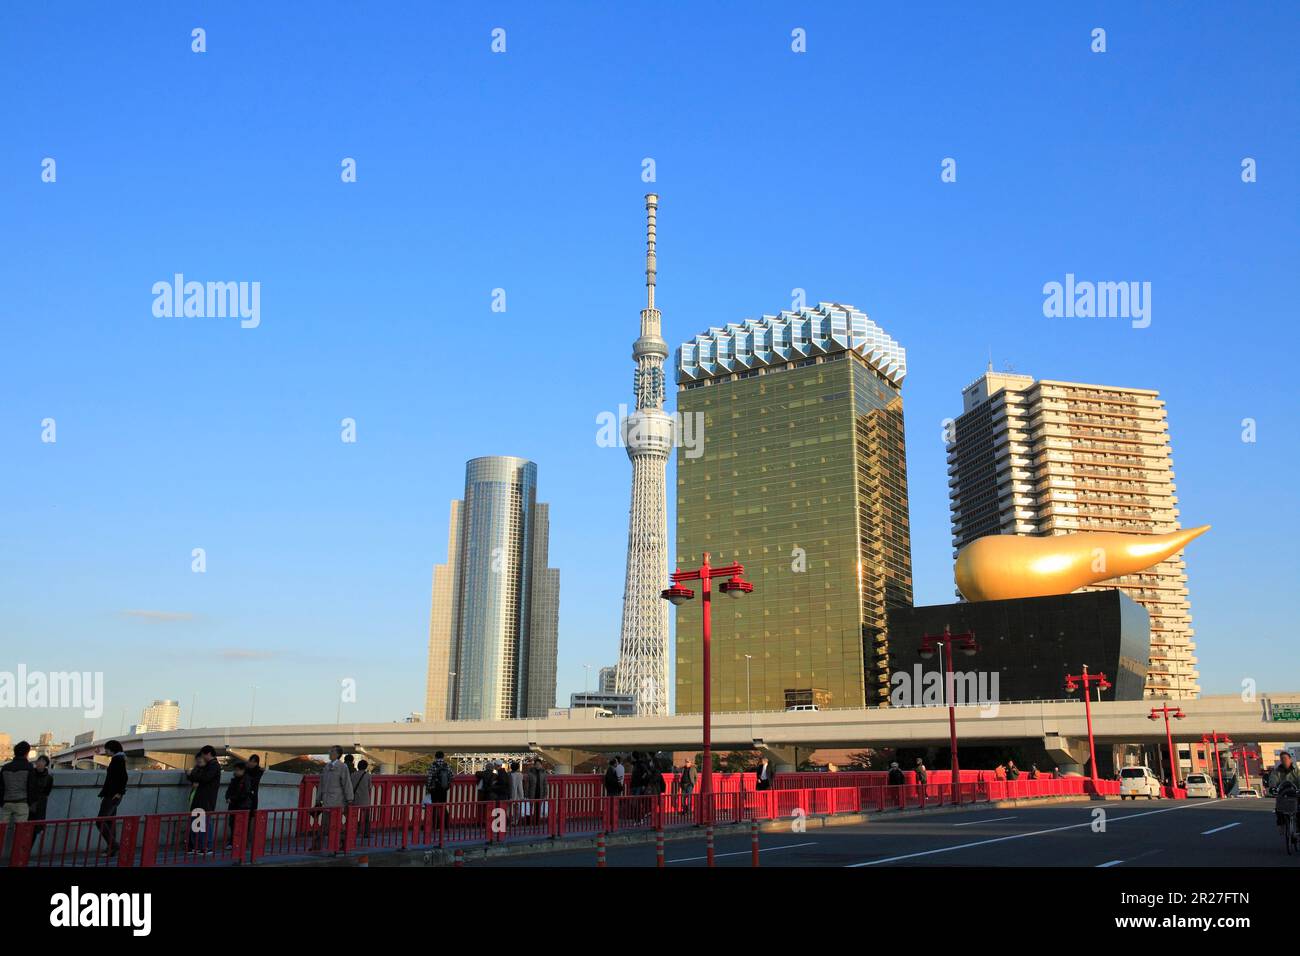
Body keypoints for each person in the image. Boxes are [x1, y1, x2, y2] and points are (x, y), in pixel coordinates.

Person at [312, 745, 354, 852]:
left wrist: (349, 799)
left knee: (336, 825)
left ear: (338, 754)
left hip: (337, 801)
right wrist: (318, 799)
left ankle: (338, 844)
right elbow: (321, 784)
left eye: (332, 751)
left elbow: (347, 783)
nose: (330, 753)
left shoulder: (342, 767)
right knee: (325, 824)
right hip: (326, 800)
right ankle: (319, 845)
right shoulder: (326, 767)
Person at [187, 745, 221, 855]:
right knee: (198, 823)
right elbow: (199, 777)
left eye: (203, 755)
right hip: (201, 798)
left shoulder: (214, 766)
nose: (202, 758)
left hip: (206, 799)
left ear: (208, 754)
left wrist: (192, 774)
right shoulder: (209, 766)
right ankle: (198, 846)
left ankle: (207, 846)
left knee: (205, 823)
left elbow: (204, 778)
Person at [97, 740, 128, 857]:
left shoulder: (117, 760)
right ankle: (111, 849)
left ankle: (114, 845)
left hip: (112, 796)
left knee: (100, 821)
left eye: (107, 749)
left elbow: (124, 777)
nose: (105, 751)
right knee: (110, 821)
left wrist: (119, 793)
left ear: (112, 749)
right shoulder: (119, 759)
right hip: (113, 795)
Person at [1, 740, 34, 826]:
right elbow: (31, 787)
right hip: (22, 802)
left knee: (2, 829)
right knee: (20, 831)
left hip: (6, 802)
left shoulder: (5, 767)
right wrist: (30, 803)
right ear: (27, 753)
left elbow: (1, 786)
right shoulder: (29, 767)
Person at [1267, 751, 1300, 831]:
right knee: (1279, 808)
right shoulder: (1277, 771)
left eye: (1285, 758)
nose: (1284, 760)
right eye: (1282, 759)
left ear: (1290, 759)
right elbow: (1273, 780)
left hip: (1295, 793)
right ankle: (1281, 824)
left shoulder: (1296, 771)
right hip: (1283, 793)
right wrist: (1273, 787)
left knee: (1299, 809)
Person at [224, 761, 253, 849]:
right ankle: (233, 842)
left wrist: (231, 798)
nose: (235, 772)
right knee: (232, 824)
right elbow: (229, 791)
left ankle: (240, 843)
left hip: (242, 806)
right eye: (235, 770)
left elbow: (244, 793)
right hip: (234, 806)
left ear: (243, 770)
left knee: (240, 825)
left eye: (237, 770)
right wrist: (228, 797)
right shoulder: (234, 780)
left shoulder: (246, 780)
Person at [27, 755, 54, 845]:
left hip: (40, 806)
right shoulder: (30, 774)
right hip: (28, 804)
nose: (40, 763)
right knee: (25, 828)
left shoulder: (49, 778)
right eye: (39, 760)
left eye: (43, 761)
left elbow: (47, 792)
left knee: (35, 829)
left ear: (46, 764)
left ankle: (27, 851)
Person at [351, 759, 372, 838]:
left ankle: (353, 831)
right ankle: (366, 833)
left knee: (353, 817)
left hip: (355, 799)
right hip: (365, 799)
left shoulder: (353, 775)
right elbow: (369, 787)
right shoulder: (368, 776)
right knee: (366, 817)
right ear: (366, 767)